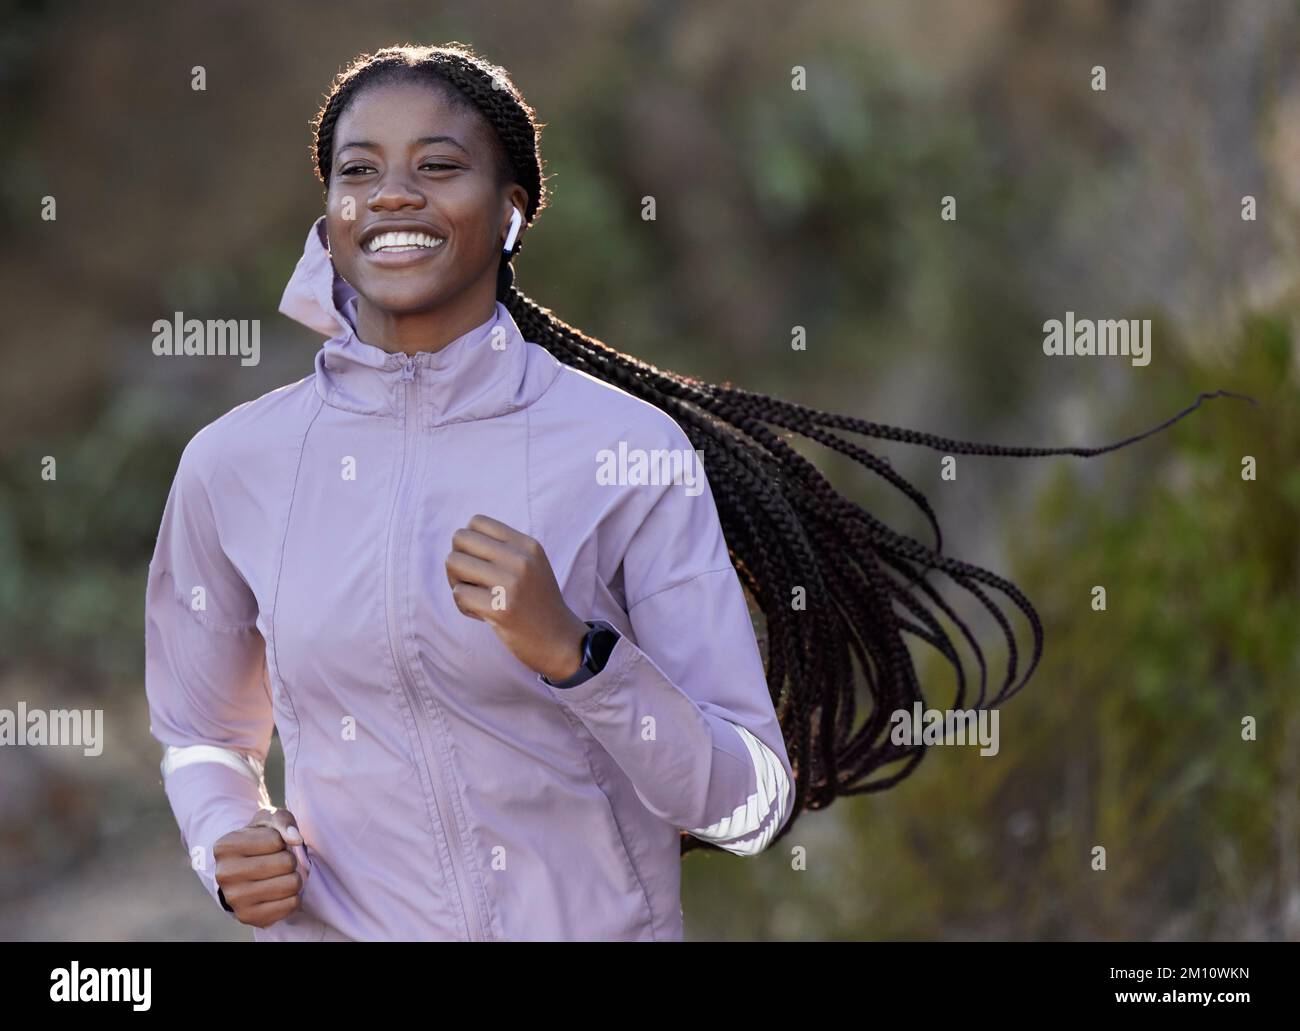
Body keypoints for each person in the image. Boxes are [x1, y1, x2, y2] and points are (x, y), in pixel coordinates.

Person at [143, 42, 1241, 941]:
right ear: (329, 207)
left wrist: (577, 654)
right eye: (357, 169)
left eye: (438, 165)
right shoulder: (236, 466)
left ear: (514, 209)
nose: (393, 194)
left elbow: (751, 800)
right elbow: (201, 734)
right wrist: (224, 842)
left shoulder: (622, 450)